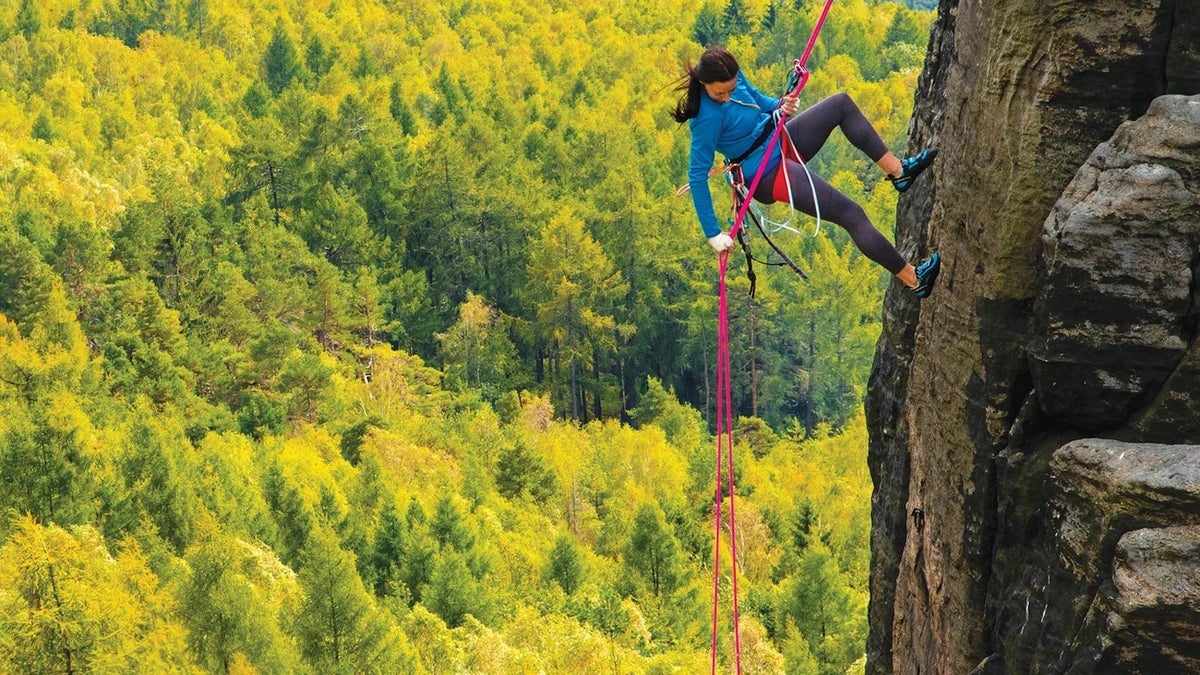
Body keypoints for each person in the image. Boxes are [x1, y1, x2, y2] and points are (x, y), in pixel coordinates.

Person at [672, 46, 940, 297]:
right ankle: (914, 279)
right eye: (720, 94)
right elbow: (697, 176)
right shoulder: (705, 118)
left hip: (779, 140)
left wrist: (781, 105)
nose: (727, 97)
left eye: (730, 89)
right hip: (765, 173)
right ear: (703, 83)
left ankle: (899, 172)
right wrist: (713, 234)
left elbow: (759, 101)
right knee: (851, 214)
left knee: (841, 105)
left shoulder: (732, 77)